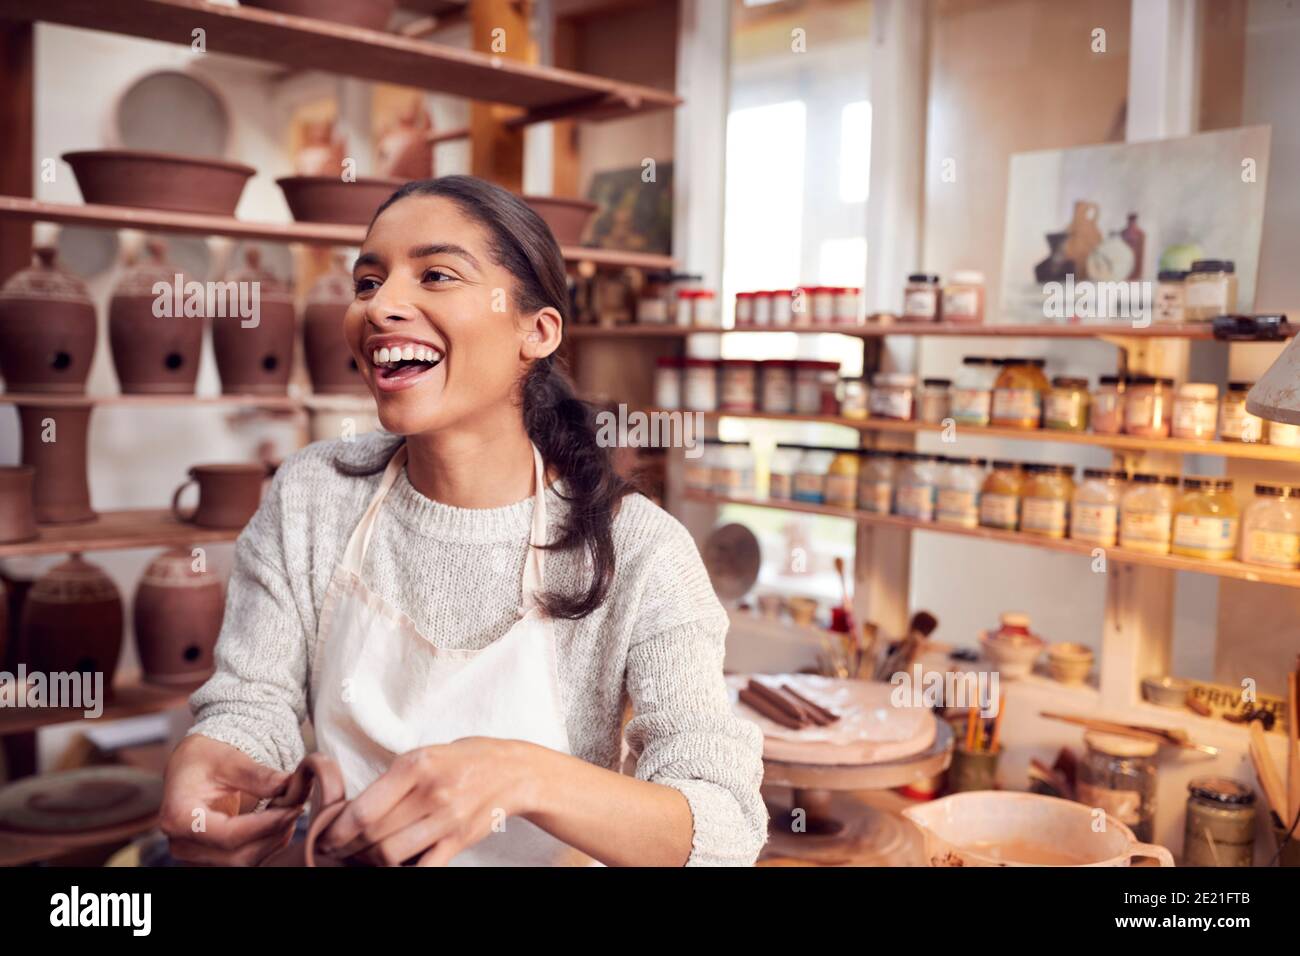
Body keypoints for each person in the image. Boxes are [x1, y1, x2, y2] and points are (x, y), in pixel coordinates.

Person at [159, 175, 766, 867]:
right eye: (367, 282)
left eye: (437, 275)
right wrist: (217, 760)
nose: (381, 306)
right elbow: (252, 703)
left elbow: (723, 827)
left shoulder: (641, 553)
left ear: (535, 332)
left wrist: (522, 774)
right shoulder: (311, 496)